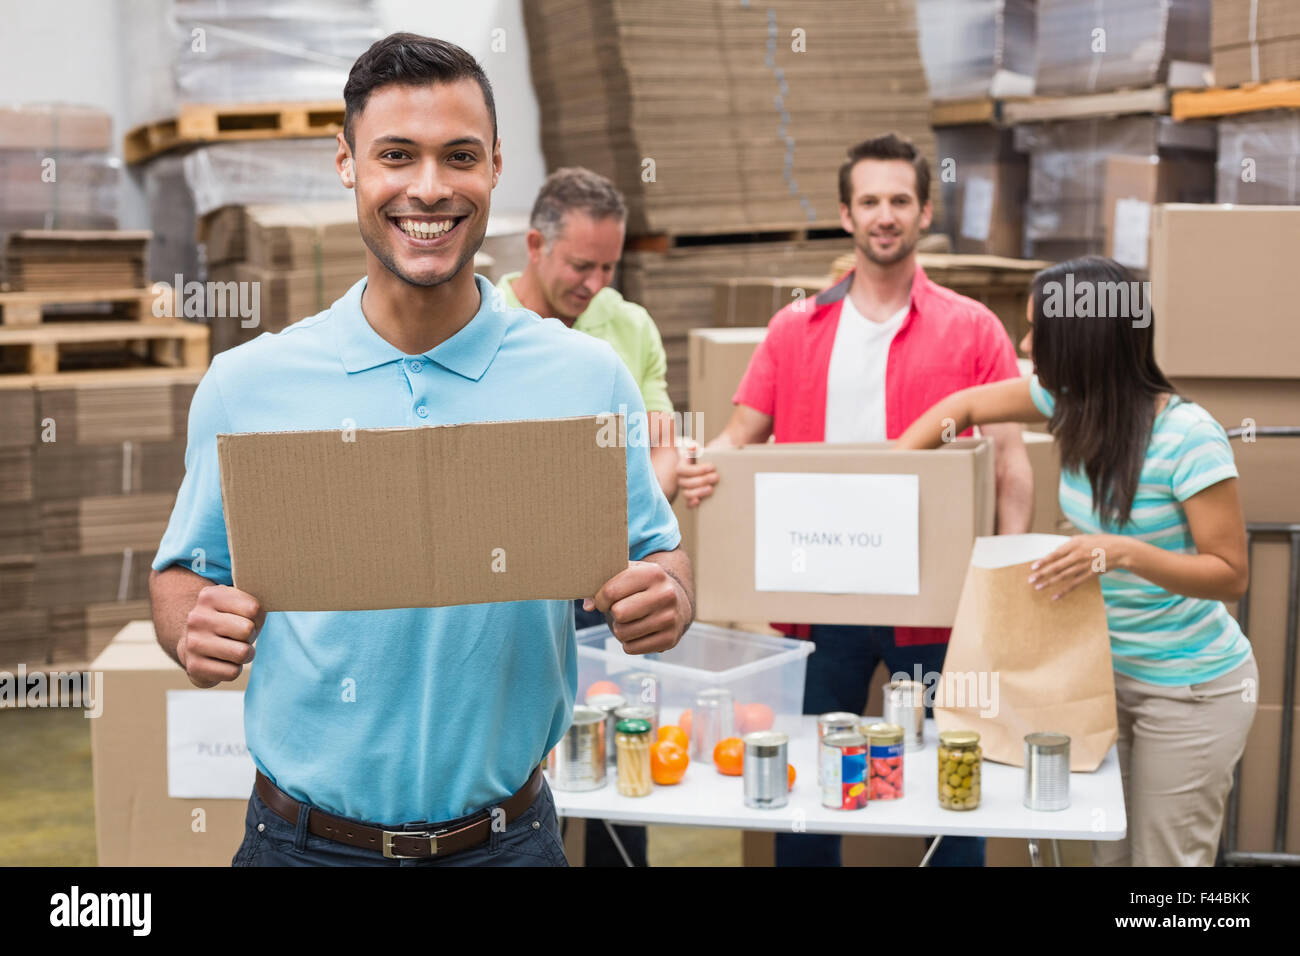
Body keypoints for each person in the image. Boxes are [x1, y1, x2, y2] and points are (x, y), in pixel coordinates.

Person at [148, 32, 693, 868]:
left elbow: (663, 558)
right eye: (396, 155)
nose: (429, 189)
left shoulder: (587, 379)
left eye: (460, 156)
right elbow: (181, 574)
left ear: (497, 166)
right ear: (347, 163)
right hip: (303, 846)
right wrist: (193, 626)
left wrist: (669, 600)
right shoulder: (247, 386)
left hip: (508, 842)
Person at [677, 133, 1033, 867]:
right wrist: (696, 466)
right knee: (807, 791)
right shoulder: (795, 329)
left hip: (932, 605)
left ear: (925, 211)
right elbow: (741, 434)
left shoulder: (972, 329)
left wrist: (993, 585)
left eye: (900, 200)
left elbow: (1008, 459)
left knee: (949, 782)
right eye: (869, 200)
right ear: (845, 213)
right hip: (821, 599)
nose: (885, 215)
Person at [896, 256, 1257, 867]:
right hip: (1096, 680)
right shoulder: (1067, 401)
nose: (1025, 343)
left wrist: (1122, 553)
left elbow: (1231, 573)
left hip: (1190, 692)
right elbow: (963, 409)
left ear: (1086, 341)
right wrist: (886, 479)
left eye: (1040, 331)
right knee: (1106, 858)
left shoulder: (1189, 437)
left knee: (1162, 870)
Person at [497, 166, 677, 867]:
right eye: (580, 264)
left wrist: (619, 547)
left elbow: (660, 451)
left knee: (616, 759)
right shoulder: (486, 327)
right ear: (536, 244)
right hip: (510, 589)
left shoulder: (627, 328)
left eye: (608, 265)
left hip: (602, 590)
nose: (595, 283)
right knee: (519, 762)